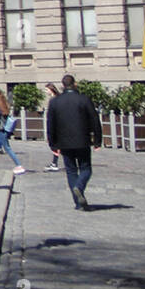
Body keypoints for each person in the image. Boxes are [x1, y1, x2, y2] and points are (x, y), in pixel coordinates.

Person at [46, 75, 102, 211]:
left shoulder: (55, 102)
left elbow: (50, 124)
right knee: (86, 168)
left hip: (64, 142)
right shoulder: (84, 99)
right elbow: (95, 120)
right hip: (82, 141)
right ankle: (80, 187)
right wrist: (98, 140)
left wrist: (52, 143)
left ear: (63, 85)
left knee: (71, 171)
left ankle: (78, 202)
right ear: (75, 84)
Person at [0, 89, 26, 174]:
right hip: (3, 129)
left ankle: (19, 165)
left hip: (0, 130)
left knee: (7, 148)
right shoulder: (4, 107)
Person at [42, 84, 62, 170]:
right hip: (56, 125)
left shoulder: (54, 100)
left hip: (56, 126)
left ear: (51, 89)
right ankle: (54, 163)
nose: (46, 92)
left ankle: (54, 164)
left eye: (47, 90)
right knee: (56, 146)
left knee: (55, 145)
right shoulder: (55, 99)